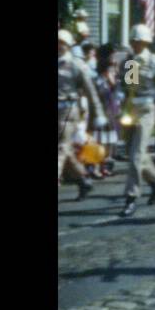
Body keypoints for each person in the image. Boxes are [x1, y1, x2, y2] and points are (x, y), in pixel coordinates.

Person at [118, 24, 155, 218]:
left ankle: (131, 197)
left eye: (138, 41)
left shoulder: (154, 61)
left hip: (147, 109)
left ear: (145, 42)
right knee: (134, 153)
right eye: (133, 40)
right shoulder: (130, 62)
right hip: (131, 108)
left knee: (136, 155)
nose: (135, 44)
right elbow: (128, 88)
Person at [58, 29, 106, 200]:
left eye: (62, 43)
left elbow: (92, 90)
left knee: (62, 149)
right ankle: (83, 179)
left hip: (69, 110)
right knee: (67, 151)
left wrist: (99, 113)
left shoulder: (131, 62)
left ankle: (136, 191)